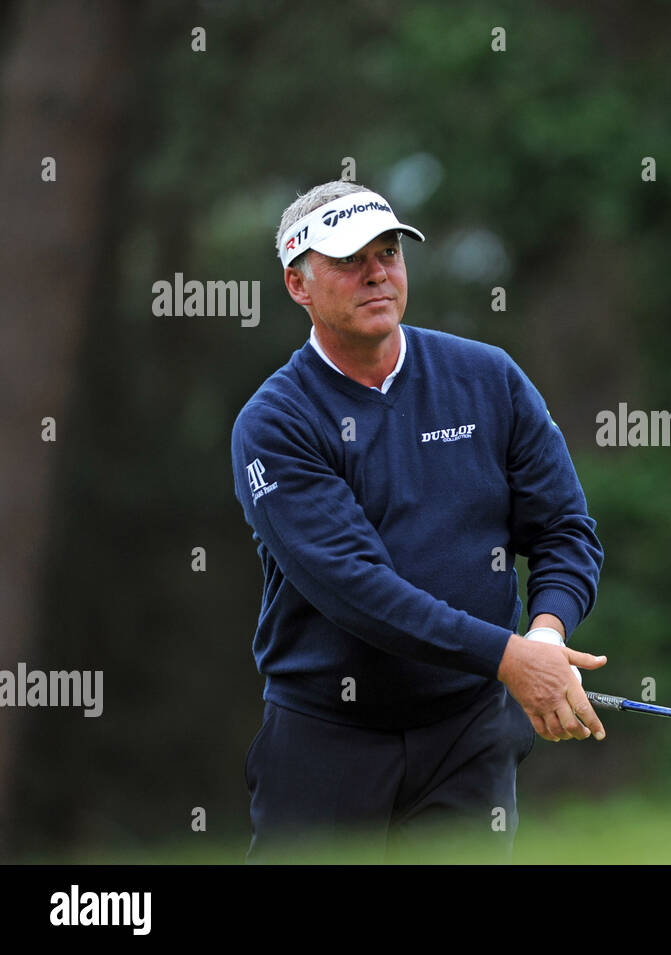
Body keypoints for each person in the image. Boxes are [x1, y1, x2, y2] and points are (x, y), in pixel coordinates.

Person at [231, 180, 608, 862]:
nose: (377, 272)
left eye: (389, 252)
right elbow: (357, 588)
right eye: (350, 259)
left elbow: (564, 531)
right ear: (298, 283)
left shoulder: (487, 378)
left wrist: (547, 635)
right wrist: (509, 657)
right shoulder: (276, 422)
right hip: (326, 736)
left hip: (467, 735)